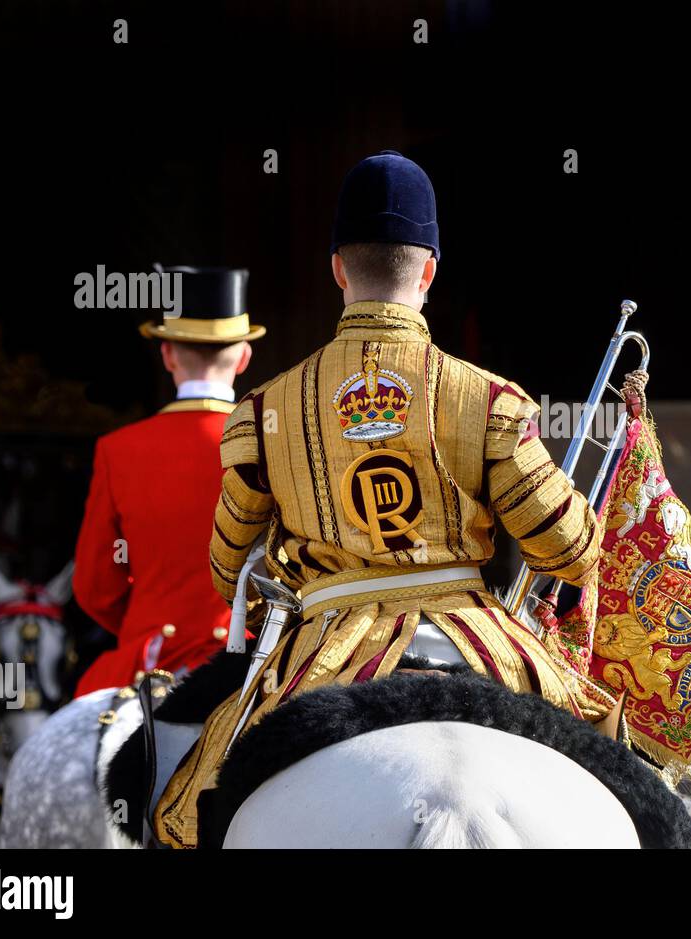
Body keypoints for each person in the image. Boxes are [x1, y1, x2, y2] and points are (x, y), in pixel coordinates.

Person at [156, 151, 607, 847]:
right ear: (429, 268)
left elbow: (229, 569)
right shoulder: (491, 401)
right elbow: (568, 547)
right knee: (627, 778)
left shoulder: (262, 413)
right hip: (481, 640)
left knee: (192, 811)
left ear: (338, 267)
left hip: (320, 653)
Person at [72, 268, 264, 696]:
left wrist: (150, 619)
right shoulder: (273, 442)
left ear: (168, 355)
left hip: (150, 659)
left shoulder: (117, 449)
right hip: (253, 661)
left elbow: (93, 586)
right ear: (244, 356)